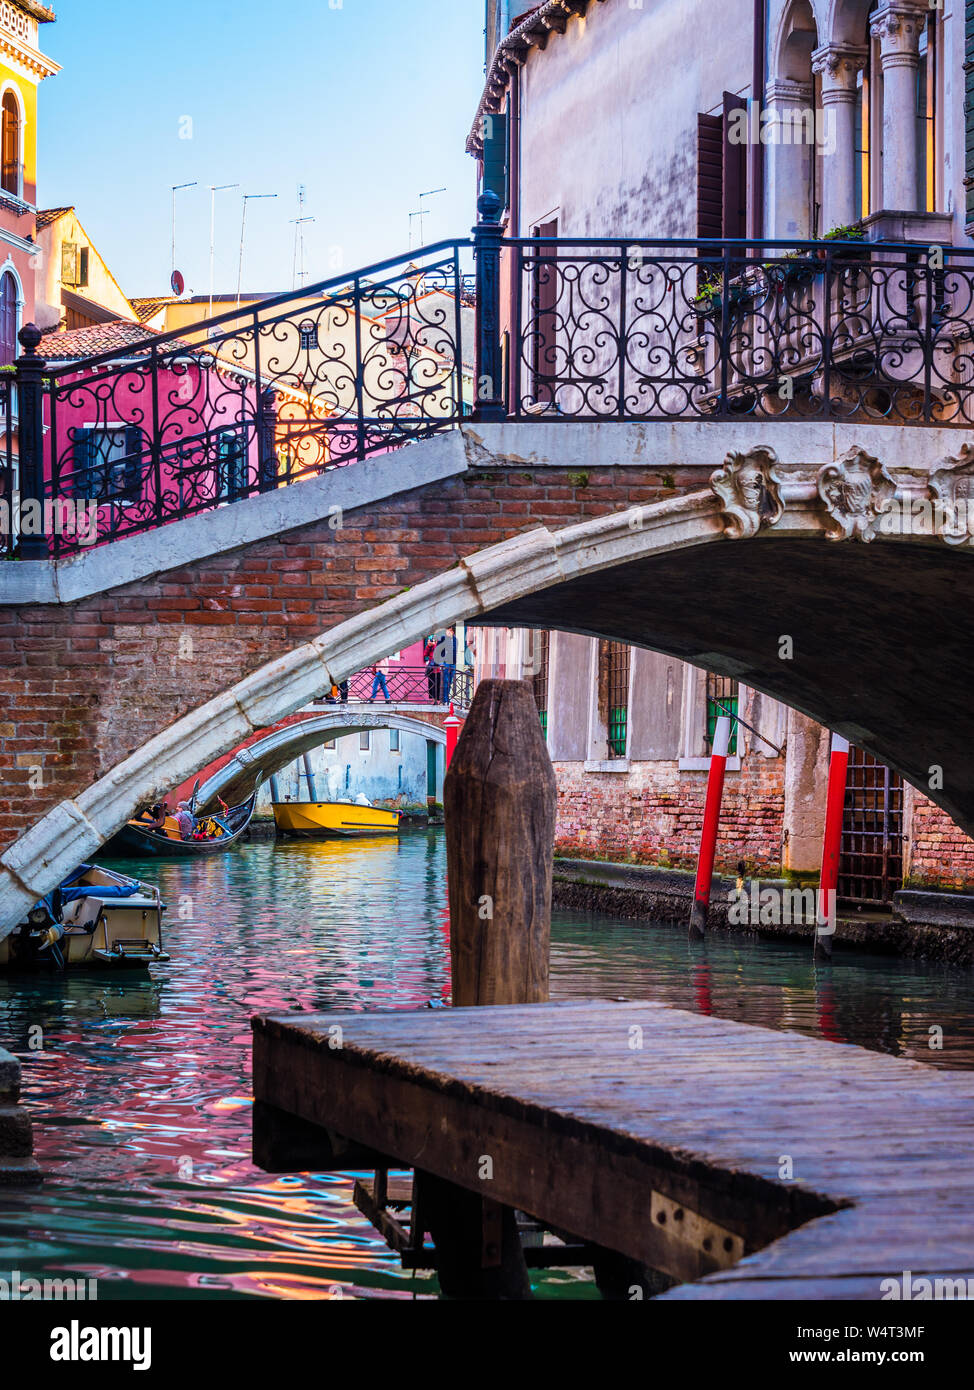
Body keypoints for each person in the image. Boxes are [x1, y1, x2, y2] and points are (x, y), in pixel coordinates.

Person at [438, 625, 458, 704]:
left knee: (450, 681)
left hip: (452, 663)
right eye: (447, 630)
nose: (448, 632)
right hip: (445, 662)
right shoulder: (442, 638)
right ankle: (445, 699)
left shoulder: (455, 640)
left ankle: (447, 698)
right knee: (445, 681)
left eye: (450, 631)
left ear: (453, 632)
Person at [424, 635, 440, 702]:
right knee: (431, 684)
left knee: (437, 685)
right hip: (431, 669)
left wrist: (434, 645)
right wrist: (428, 646)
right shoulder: (430, 647)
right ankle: (432, 699)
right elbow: (425, 654)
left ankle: (437, 700)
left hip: (438, 669)